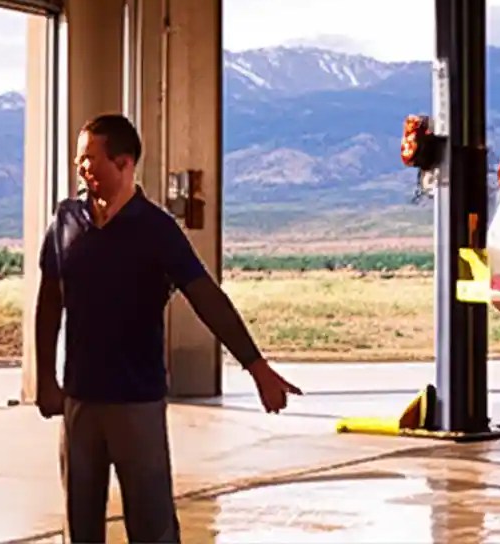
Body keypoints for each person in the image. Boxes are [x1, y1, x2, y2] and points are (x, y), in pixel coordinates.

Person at [34, 113, 302, 543]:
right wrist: (47, 378)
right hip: (80, 399)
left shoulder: (157, 229)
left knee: (151, 521)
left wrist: (257, 366)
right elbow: (49, 301)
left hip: (136, 400)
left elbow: (207, 298)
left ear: (124, 163)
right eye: (79, 160)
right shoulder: (66, 220)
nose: (81, 168)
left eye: (90, 159)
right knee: (80, 521)